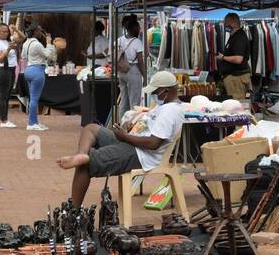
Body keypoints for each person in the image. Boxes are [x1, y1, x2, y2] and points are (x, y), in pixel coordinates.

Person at [56, 71, 185, 206]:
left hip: (141, 155)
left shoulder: (170, 112)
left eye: (155, 92)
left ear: (165, 91)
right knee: (91, 129)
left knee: (85, 166)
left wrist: (125, 136)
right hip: (133, 142)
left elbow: (153, 143)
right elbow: (147, 127)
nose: (153, 95)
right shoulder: (164, 106)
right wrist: (130, 127)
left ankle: (74, 213)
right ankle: (81, 154)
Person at [21, 23, 59, 132]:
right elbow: (48, 55)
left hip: (28, 70)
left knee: (32, 98)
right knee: (34, 99)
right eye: (39, 31)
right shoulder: (37, 44)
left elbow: (23, 56)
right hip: (37, 71)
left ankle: (35, 121)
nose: (40, 33)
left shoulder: (26, 43)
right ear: (34, 32)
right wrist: (49, 43)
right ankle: (31, 123)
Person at [215, 12, 252, 99]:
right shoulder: (234, 36)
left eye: (226, 22)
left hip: (237, 79)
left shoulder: (239, 37)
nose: (224, 24)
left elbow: (238, 59)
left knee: (237, 104)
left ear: (234, 22)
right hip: (233, 79)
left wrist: (223, 57)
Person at [0, 23, 18, 128]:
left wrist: (16, 30)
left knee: (7, 95)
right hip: (3, 70)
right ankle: (3, 120)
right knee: (3, 95)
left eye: (6, 31)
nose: (4, 33)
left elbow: (22, 38)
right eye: (2, 31)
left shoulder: (8, 41)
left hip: (11, 69)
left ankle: (6, 119)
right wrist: (8, 49)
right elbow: (0, 59)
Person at [117, 17, 146, 111]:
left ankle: (122, 122)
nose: (139, 29)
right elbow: (140, 62)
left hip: (121, 71)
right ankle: (132, 124)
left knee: (124, 100)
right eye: (138, 27)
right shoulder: (137, 42)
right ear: (134, 28)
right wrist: (145, 76)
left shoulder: (119, 40)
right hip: (133, 71)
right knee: (134, 102)